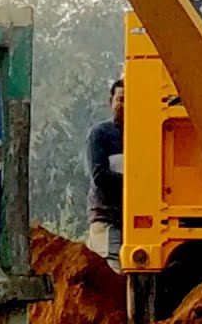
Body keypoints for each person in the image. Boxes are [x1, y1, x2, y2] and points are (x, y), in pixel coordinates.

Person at [85, 77, 124, 273]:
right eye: (121, 99)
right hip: (108, 220)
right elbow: (100, 176)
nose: (125, 105)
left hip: (137, 226)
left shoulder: (147, 135)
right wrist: (136, 182)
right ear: (111, 102)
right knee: (114, 273)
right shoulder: (101, 134)